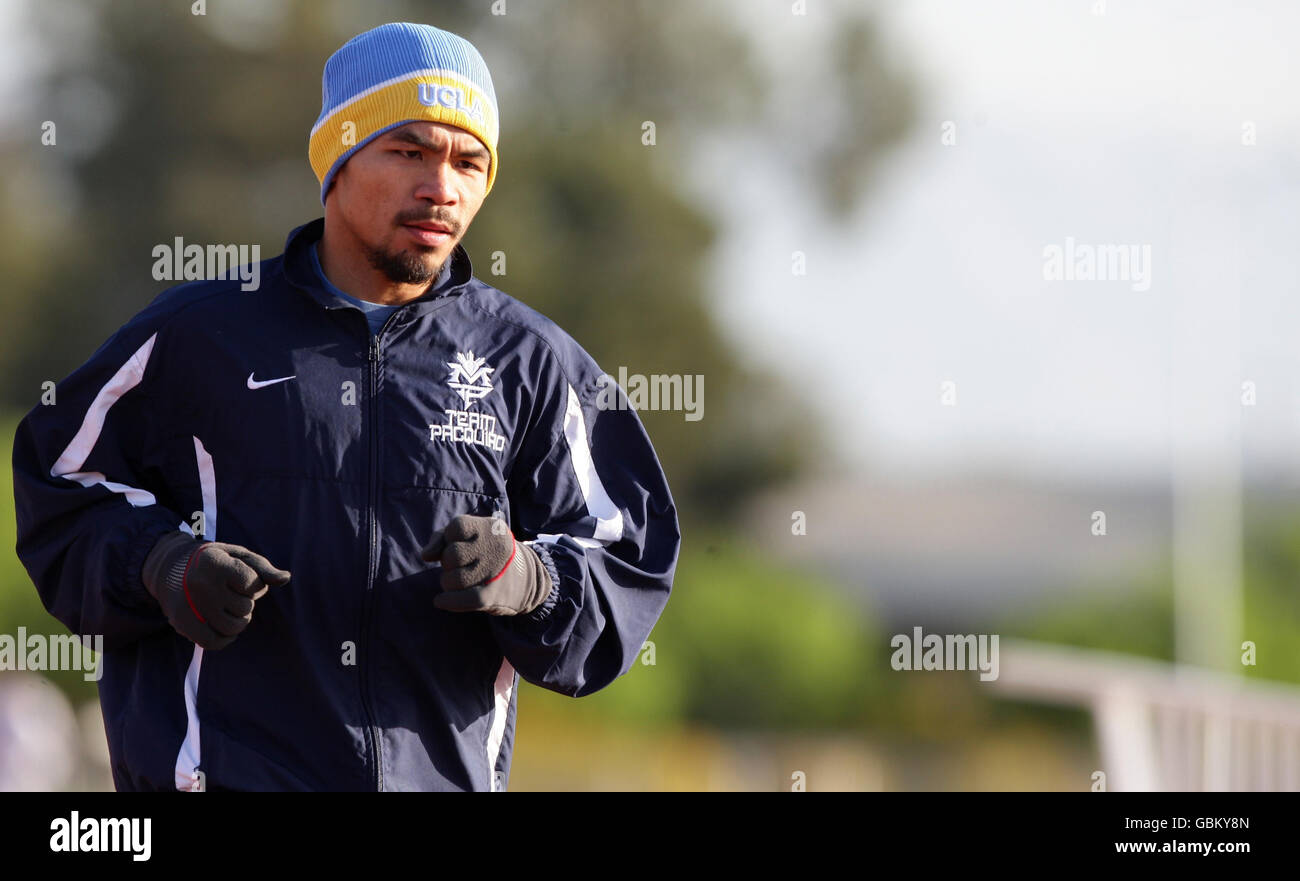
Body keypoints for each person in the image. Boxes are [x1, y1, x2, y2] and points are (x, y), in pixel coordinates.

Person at [11, 21, 680, 792]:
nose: (443, 187)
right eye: (410, 152)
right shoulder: (197, 336)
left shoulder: (531, 362)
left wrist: (528, 578)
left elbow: (628, 556)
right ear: (337, 160)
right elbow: (60, 490)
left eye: (469, 162)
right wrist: (166, 565)